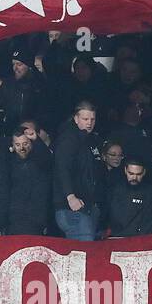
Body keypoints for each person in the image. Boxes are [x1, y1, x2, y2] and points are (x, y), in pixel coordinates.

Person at [52, 102, 103, 241]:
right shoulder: (68, 138)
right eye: (85, 119)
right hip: (72, 207)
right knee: (84, 251)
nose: (89, 123)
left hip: (88, 206)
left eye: (92, 119)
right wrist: (70, 196)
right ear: (76, 119)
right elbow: (62, 168)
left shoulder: (91, 140)